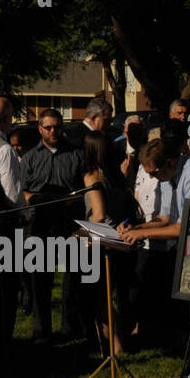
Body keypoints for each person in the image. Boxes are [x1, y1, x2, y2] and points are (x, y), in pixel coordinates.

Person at [118, 136, 190, 352]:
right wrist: (136, 229)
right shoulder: (167, 176)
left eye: (154, 173)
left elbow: (187, 227)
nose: (153, 178)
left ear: (170, 163)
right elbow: (164, 218)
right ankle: (187, 347)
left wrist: (144, 235)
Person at [22, 108, 85, 343]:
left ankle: (71, 327)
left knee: (72, 278)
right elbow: (22, 191)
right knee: (40, 280)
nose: (53, 131)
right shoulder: (30, 158)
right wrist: (36, 199)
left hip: (69, 222)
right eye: (48, 127)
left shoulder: (75, 155)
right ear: (40, 128)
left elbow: (85, 190)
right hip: (39, 223)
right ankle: (41, 331)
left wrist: (72, 200)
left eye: (57, 127)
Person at [79, 130, 135, 353]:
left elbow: (99, 214)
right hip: (119, 238)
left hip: (99, 240)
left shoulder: (92, 175)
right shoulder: (117, 173)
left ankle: (116, 340)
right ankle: (111, 343)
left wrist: (84, 235)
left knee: (95, 297)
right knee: (107, 293)